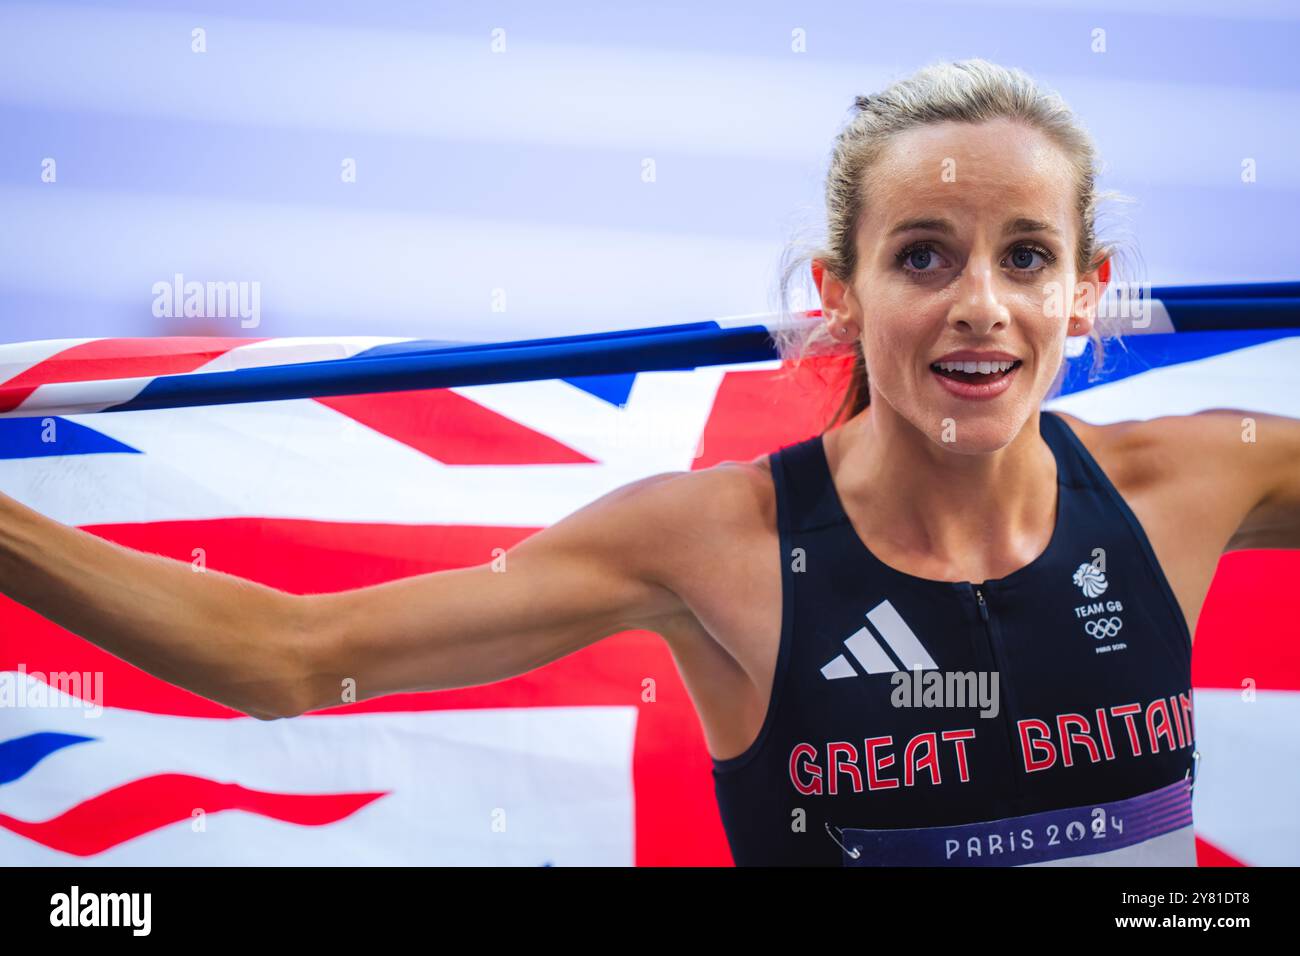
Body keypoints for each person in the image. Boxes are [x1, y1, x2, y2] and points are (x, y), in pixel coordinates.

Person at [1, 59, 1297, 866]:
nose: (978, 303)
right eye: (922, 255)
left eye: (1025, 255)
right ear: (837, 293)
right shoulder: (711, 544)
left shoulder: (1195, 479)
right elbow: (281, 658)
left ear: (1089, 293)